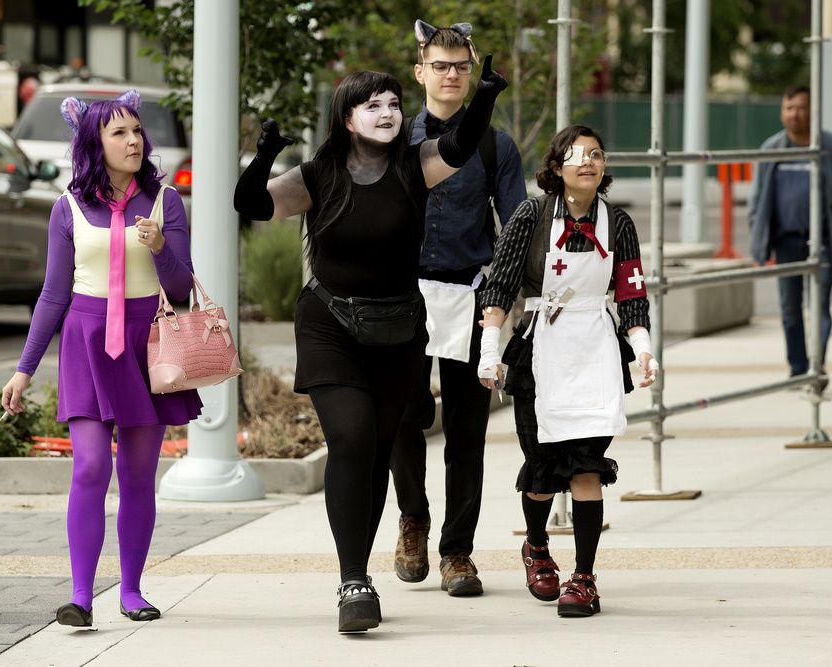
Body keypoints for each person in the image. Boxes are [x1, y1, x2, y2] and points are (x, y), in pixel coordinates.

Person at [233, 60, 507, 633]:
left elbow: (459, 143)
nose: (387, 114)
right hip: (330, 324)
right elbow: (252, 205)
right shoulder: (317, 175)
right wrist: (264, 155)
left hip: (399, 329)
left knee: (378, 453)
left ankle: (360, 571)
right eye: (373, 105)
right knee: (353, 436)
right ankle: (353, 577)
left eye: (392, 103)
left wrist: (484, 93)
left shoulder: (417, 166)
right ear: (348, 117)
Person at [0, 90, 201, 627]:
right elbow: (53, 294)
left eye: (137, 131)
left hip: (145, 342)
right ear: (95, 143)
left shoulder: (166, 203)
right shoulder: (67, 207)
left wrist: (161, 247)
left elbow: (181, 287)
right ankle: (81, 596)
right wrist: (24, 368)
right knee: (89, 467)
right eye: (119, 133)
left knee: (137, 475)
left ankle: (131, 590)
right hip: (87, 341)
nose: (134, 140)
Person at [478, 125, 657, 618]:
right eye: (577, 156)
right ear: (556, 168)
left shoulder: (617, 223)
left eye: (596, 155)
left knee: (586, 466)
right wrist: (489, 349)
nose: (588, 163)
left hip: (595, 350)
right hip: (540, 347)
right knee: (541, 470)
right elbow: (499, 286)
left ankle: (584, 578)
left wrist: (642, 347)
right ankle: (536, 546)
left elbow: (632, 294)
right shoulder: (531, 216)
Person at [390, 19, 527, 598]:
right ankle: (413, 520)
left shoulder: (495, 142)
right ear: (420, 71)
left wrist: (506, 297)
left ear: (472, 76)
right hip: (402, 295)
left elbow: (518, 224)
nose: (451, 75)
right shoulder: (393, 137)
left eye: (460, 67)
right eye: (440, 65)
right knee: (402, 417)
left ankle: (458, 551)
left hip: (473, 297)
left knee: (468, 429)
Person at [748, 84, 832, 388]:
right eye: (789, 108)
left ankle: (816, 369)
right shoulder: (772, 149)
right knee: (790, 309)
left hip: (823, 241)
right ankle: (798, 368)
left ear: (812, 111)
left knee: (819, 307)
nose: (795, 114)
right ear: (782, 112)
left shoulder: (831, 146)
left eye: (801, 108)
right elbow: (758, 201)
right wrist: (760, 242)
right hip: (786, 242)